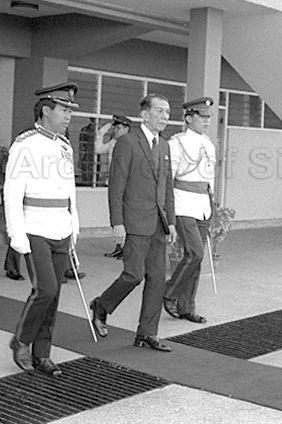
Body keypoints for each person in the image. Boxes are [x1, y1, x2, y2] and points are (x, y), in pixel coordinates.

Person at [90, 94, 177, 352]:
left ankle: (146, 333)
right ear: (145, 114)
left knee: (157, 279)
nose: (164, 116)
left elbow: (167, 187)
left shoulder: (164, 146)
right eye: (160, 111)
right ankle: (101, 306)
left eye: (167, 112)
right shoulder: (127, 142)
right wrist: (117, 222)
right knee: (133, 275)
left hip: (158, 224)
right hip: (134, 223)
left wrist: (171, 221)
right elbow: (116, 187)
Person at [5, 83, 80, 376]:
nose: (68, 116)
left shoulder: (64, 145)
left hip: (60, 225)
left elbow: (70, 190)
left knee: (55, 293)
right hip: (34, 225)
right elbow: (12, 193)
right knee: (45, 288)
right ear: (46, 110)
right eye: (63, 109)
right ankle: (21, 340)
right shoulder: (24, 144)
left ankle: (42, 353)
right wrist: (16, 234)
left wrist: (74, 224)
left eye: (70, 110)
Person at [163, 97, 216, 324]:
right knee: (195, 253)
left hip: (203, 205)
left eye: (208, 116)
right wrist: (170, 212)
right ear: (188, 118)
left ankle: (186, 307)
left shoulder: (208, 143)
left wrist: (212, 205)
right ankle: (169, 292)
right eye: (202, 116)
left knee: (195, 259)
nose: (207, 120)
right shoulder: (176, 143)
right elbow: (169, 178)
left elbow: (209, 178)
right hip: (183, 203)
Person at [95, 114, 133, 258]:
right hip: (113, 182)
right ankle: (119, 246)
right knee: (115, 215)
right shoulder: (113, 142)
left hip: (126, 185)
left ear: (126, 129)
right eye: (114, 127)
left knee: (125, 216)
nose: (115, 130)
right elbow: (99, 149)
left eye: (118, 128)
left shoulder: (131, 143)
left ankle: (126, 248)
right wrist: (102, 131)